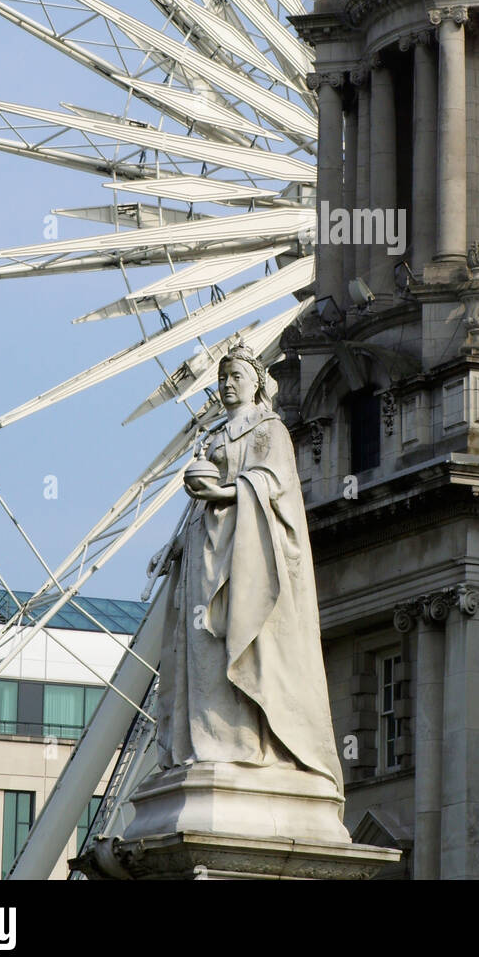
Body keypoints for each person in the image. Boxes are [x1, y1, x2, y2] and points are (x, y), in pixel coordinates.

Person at [150, 338, 343, 794]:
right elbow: (197, 507)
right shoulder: (213, 436)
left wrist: (224, 492)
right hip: (205, 554)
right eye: (222, 377)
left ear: (257, 383)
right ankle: (205, 741)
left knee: (241, 638)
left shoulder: (268, 429)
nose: (227, 384)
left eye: (236, 376)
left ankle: (244, 741)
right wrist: (174, 547)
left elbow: (274, 482)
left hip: (247, 553)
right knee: (202, 649)